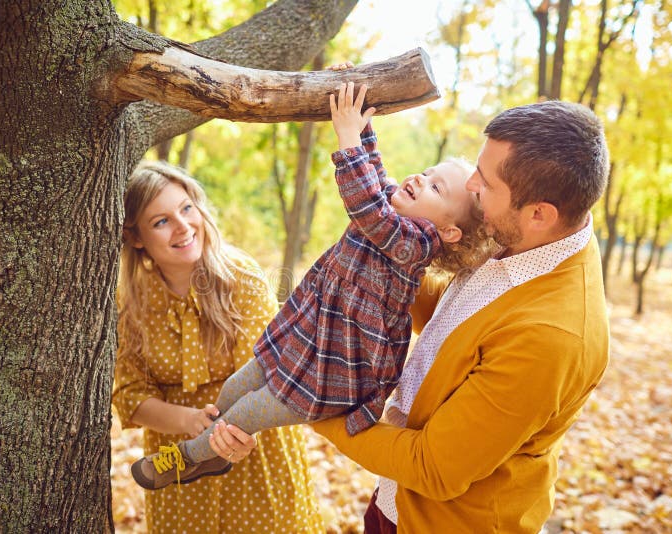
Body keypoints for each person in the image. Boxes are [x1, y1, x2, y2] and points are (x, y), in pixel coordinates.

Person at [130, 81, 496, 491]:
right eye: (428, 172)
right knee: (236, 387)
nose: (419, 178)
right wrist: (361, 115)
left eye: (435, 187)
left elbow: (367, 204)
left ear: (447, 231)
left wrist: (345, 136)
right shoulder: (394, 208)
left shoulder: (413, 243)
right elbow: (373, 173)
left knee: (249, 409)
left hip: (340, 365)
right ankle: (210, 453)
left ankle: (190, 457)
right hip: (310, 339)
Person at [311, 99, 611, 533]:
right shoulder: (533, 233)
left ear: (539, 214)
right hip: (394, 499)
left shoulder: (551, 337)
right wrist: (388, 241)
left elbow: (434, 467)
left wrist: (311, 406)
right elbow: (455, 314)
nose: (471, 186)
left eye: (486, 183)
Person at [112, 160, 324, 533]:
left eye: (186, 208)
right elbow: (130, 395)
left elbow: (266, 374)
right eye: (161, 221)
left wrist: (225, 435)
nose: (183, 227)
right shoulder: (131, 301)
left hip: (255, 445)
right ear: (136, 237)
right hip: (176, 463)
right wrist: (189, 422)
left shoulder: (240, 277)